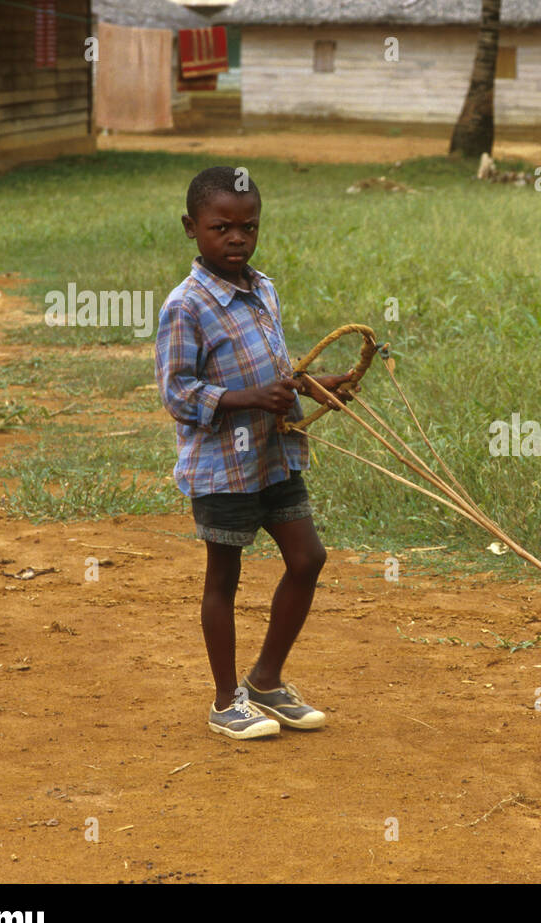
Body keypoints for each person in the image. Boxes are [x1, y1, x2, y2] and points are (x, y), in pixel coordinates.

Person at [155, 165, 356, 739]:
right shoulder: (186, 306)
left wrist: (318, 386)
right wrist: (246, 398)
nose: (237, 238)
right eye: (222, 227)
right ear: (191, 228)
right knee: (223, 578)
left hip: (275, 455)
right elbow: (177, 394)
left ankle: (266, 680)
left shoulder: (262, 288)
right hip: (223, 469)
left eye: (249, 226)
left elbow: (280, 373)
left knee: (308, 558)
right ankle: (226, 701)